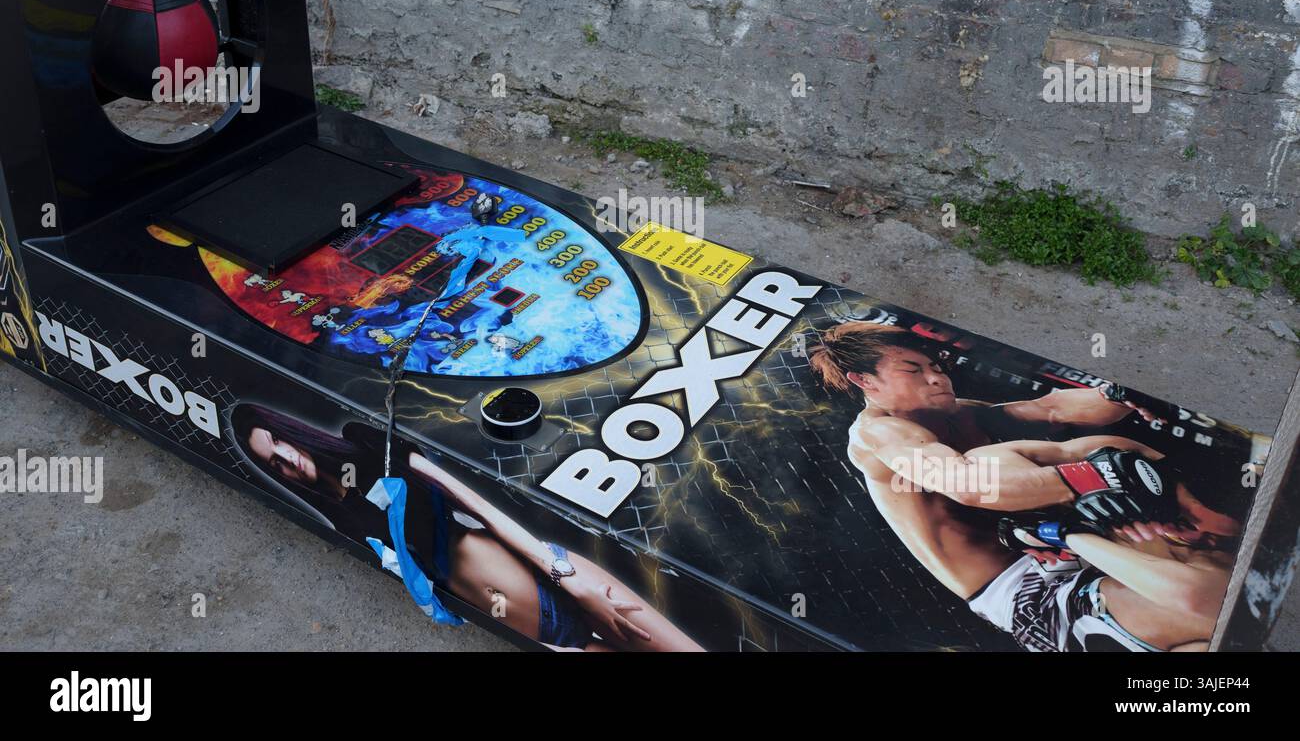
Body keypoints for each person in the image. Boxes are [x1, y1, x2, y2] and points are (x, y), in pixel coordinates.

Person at [809, 322, 1239, 651]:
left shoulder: (962, 414)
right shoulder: (879, 436)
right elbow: (970, 485)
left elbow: (1050, 408)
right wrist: (1092, 480)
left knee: (1108, 447)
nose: (937, 378)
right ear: (864, 381)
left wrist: (1120, 394)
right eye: (913, 370)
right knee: (1216, 613)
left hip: (1077, 551)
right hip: (1031, 590)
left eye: (937, 368)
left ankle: (1203, 519)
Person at [231, 405, 702, 651]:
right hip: (542, 632)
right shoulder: (339, 516)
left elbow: (468, 500)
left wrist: (562, 574)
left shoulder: (365, 446)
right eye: (274, 462)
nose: (288, 458)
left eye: (280, 442)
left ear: (288, 430)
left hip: (548, 578)